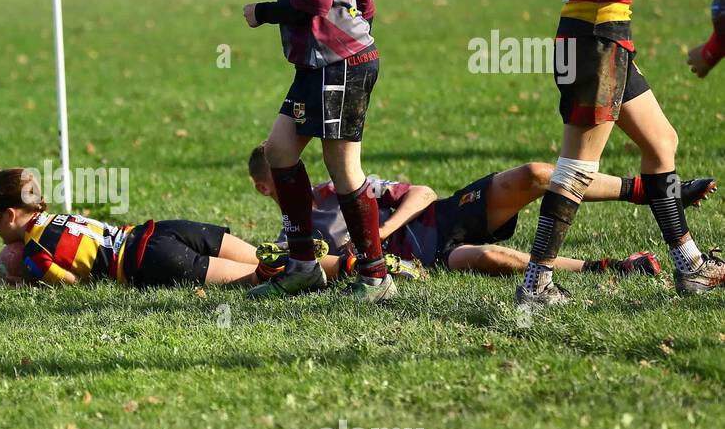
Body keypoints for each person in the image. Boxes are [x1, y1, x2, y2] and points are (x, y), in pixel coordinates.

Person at [517, 0, 722, 308]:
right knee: (577, 167)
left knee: (662, 141)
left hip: (601, 41)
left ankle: (689, 265)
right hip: (594, 43)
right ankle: (537, 283)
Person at [236, 0, 396, 303]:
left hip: (339, 64)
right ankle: (304, 264)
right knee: (280, 152)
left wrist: (265, 12)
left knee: (343, 168)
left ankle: (375, 276)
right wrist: (352, 25)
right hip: (318, 65)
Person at [248, 146, 714, 278]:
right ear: (265, 187)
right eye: (286, 173)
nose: (299, 176)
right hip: (427, 261)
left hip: (446, 217)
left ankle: (649, 192)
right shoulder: (294, 242)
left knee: (532, 174)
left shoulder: (339, 187)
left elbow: (424, 193)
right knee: (485, 259)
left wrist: (382, 228)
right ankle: (612, 265)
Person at [0, 168, 266, 289]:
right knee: (266, 257)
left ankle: (306, 277)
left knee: (259, 277)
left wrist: (25, 282)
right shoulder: (56, 219)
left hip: (146, 261)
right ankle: (307, 260)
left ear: (10, 215)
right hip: (159, 231)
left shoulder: (34, 251)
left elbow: (73, 284)